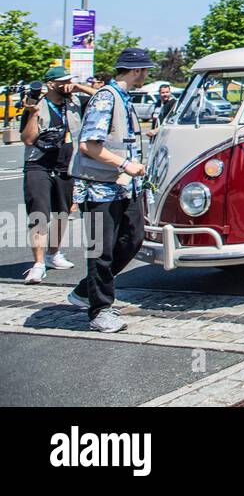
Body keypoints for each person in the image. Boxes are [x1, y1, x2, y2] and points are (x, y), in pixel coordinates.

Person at [67, 48, 155, 333]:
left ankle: (86, 291)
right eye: (145, 70)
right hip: (98, 189)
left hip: (121, 188)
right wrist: (125, 164)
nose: (146, 74)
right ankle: (100, 310)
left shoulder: (122, 97)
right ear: (136, 71)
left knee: (134, 238)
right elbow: (89, 145)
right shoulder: (106, 98)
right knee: (100, 250)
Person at [18, 68, 94, 284]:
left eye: (70, 80)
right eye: (64, 81)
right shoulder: (36, 104)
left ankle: (53, 254)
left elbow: (100, 96)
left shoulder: (75, 102)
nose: (68, 84)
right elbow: (28, 139)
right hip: (38, 165)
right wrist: (32, 112)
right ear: (51, 84)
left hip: (65, 166)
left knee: (62, 213)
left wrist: (78, 86)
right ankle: (39, 263)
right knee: (39, 214)